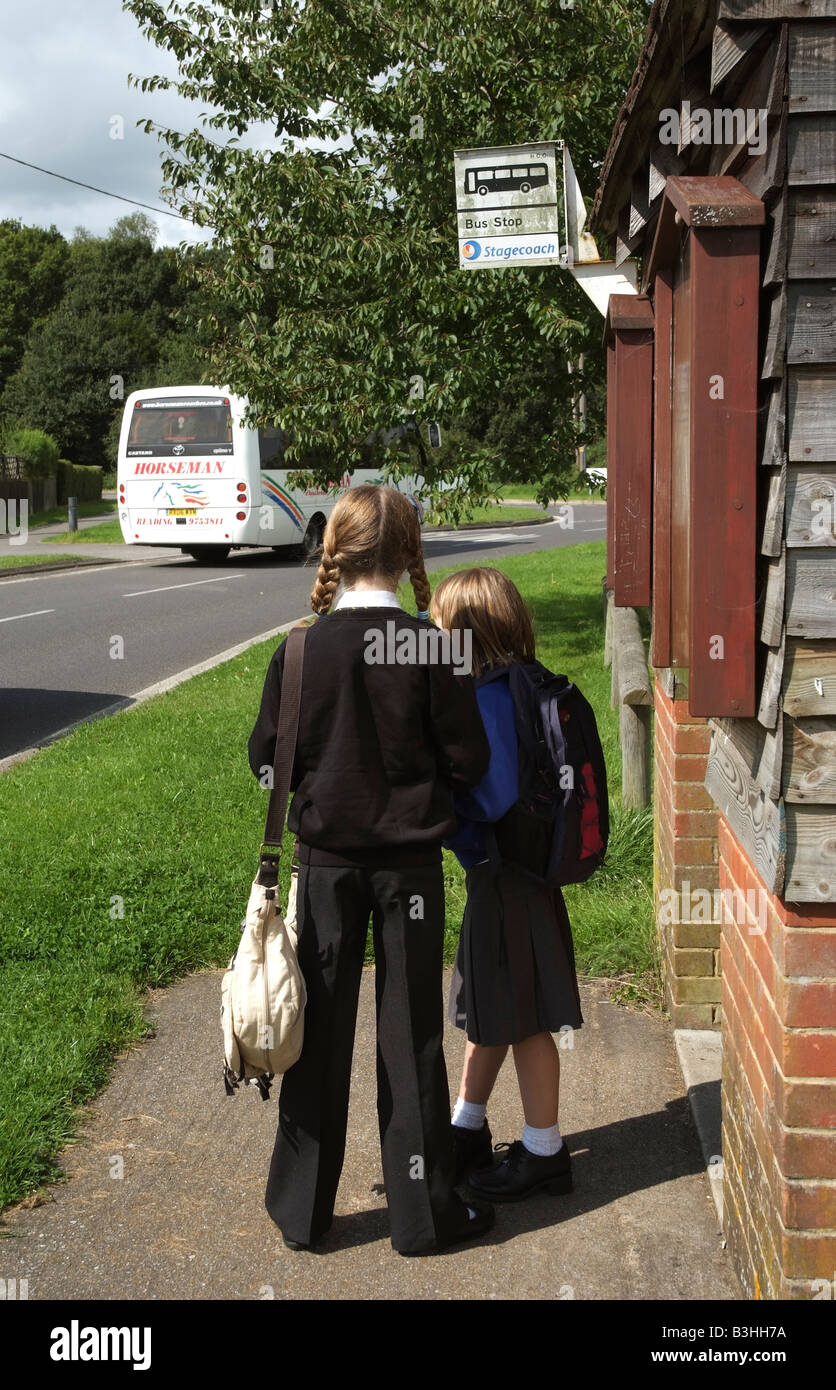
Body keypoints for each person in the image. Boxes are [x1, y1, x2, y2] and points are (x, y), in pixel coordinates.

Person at [247, 485, 495, 1255]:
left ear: (336, 554)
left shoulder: (298, 649)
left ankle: (301, 1213)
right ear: (409, 556)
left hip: (325, 867)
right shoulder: (432, 648)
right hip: (411, 869)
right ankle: (425, 1217)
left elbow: (267, 763)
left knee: (317, 1036)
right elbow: (470, 760)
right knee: (412, 1036)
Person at [429, 566, 584, 1202]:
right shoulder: (521, 682)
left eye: (440, 629)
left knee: (526, 1021)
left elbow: (490, 797)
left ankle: (544, 1150)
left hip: (506, 877)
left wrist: (437, 806)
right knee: (495, 1009)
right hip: (519, 876)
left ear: (467, 636)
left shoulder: (491, 696)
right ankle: (467, 1124)